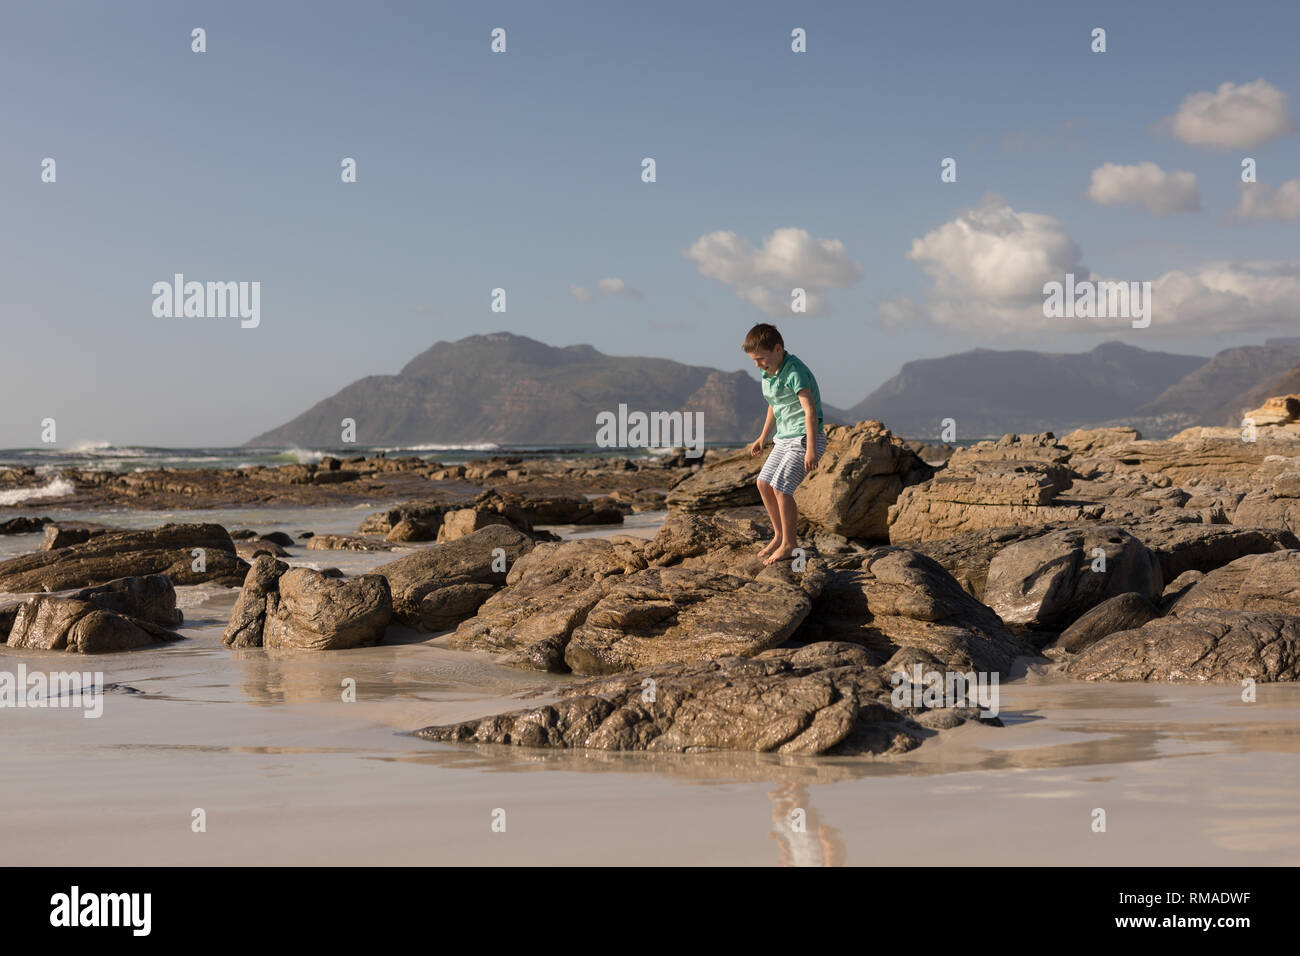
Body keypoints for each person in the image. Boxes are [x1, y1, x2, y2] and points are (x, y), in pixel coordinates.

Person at [743, 323, 826, 565]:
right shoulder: (769, 371)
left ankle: (791, 544)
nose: (757, 365)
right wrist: (763, 436)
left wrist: (811, 448)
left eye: (760, 359)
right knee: (763, 483)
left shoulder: (794, 371)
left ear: (778, 349)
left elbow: (809, 410)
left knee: (782, 488)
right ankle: (779, 535)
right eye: (754, 361)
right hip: (784, 438)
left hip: (804, 438)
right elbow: (774, 404)